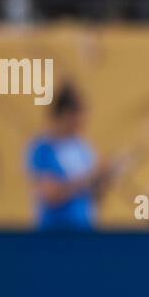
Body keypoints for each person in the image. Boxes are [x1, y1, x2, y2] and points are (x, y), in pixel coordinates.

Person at [25, 85, 114, 230]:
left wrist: (104, 178)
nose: (83, 121)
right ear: (65, 115)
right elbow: (49, 193)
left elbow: (96, 197)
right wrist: (88, 178)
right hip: (54, 235)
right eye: (78, 115)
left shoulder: (84, 148)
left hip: (83, 232)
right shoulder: (42, 148)